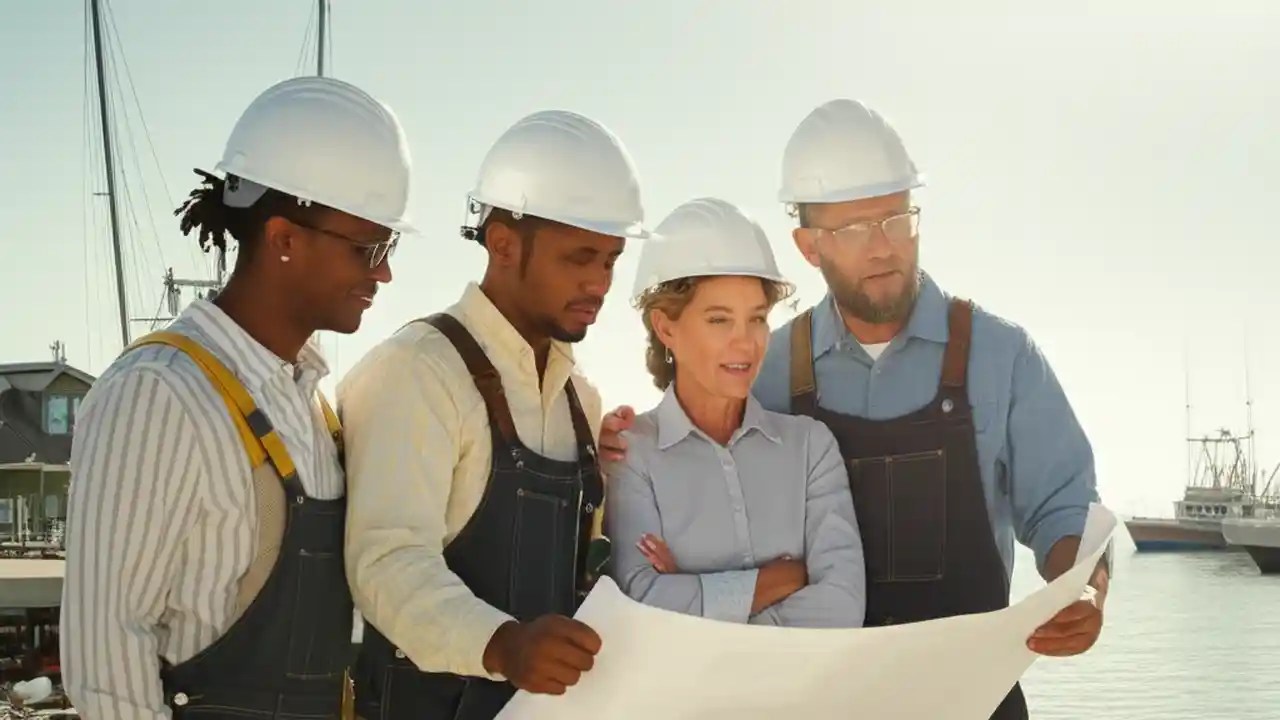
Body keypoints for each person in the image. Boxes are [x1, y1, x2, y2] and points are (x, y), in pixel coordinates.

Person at [597, 99, 1111, 720]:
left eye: (896, 217)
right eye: (852, 230)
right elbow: (703, 484)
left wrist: (1084, 587)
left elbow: (1065, 507)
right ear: (808, 246)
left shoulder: (1001, 355)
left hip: (974, 698)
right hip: (820, 703)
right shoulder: (767, 368)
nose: (882, 247)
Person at [61, 76, 415, 720]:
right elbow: (107, 654)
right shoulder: (159, 394)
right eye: (370, 247)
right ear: (283, 238)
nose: (383, 272)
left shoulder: (313, 410)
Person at [340, 109, 651, 720]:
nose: (599, 282)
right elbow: (385, 563)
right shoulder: (417, 371)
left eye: (611, 261)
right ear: (503, 245)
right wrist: (504, 645)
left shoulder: (581, 400)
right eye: (579, 257)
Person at [605, 197, 866, 628]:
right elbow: (642, 603)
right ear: (666, 328)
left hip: (802, 696)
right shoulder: (631, 454)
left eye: (757, 319)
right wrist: (782, 579)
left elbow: (841, 607)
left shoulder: (810, 446)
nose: (746, 343)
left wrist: (701, 603)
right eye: (719, 320)